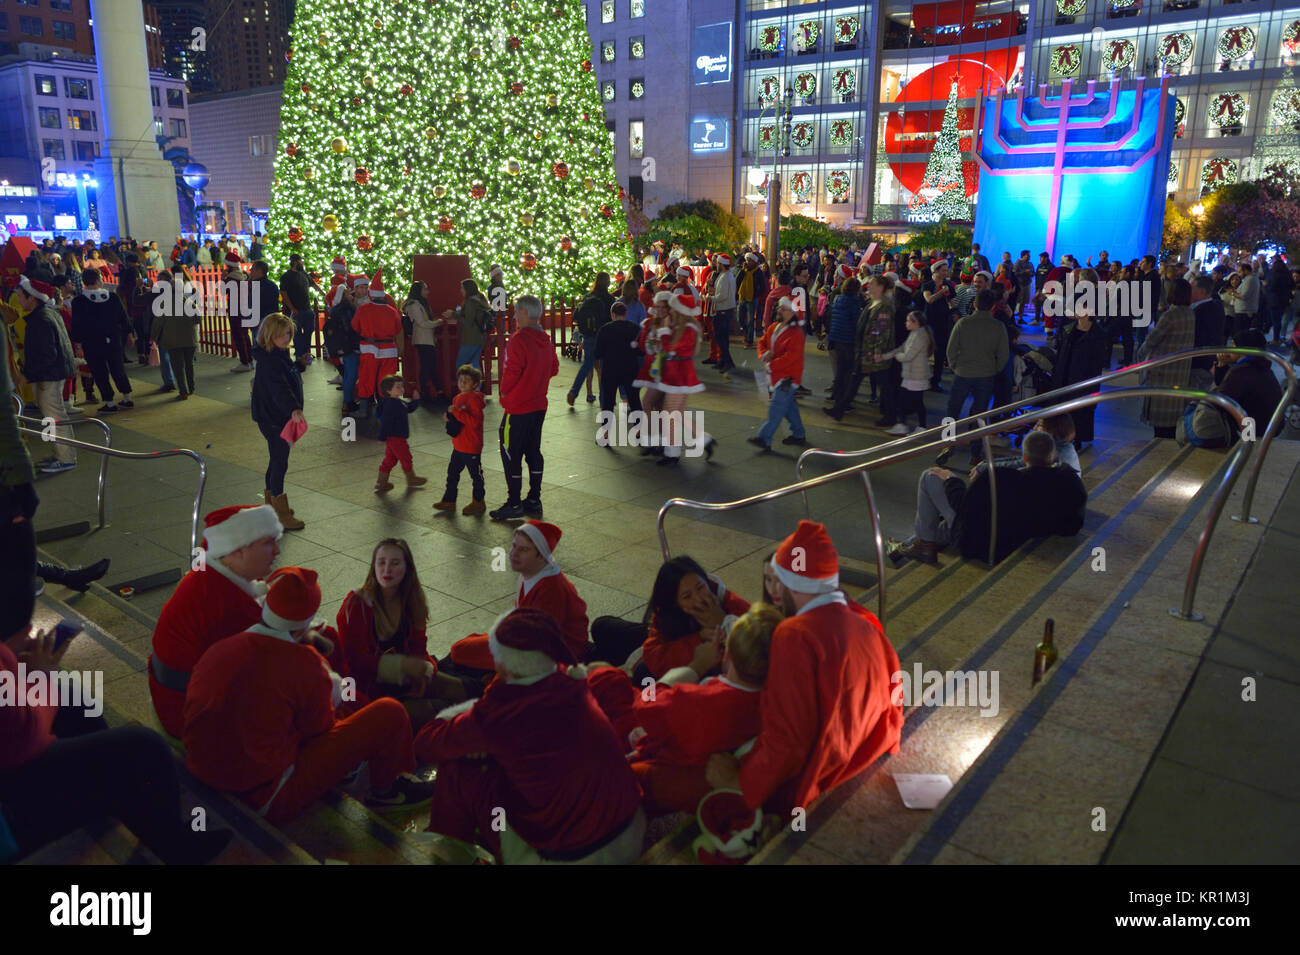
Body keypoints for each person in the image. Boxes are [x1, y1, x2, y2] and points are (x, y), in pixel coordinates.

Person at [184, 566, 434, 824]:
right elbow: (320, 730)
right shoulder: (305, 664)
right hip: (263, 798)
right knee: (389, 712)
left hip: (204, 781)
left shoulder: (222, 647)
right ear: (303, 625)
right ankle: (389, 792)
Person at [415, 609, 645, 864]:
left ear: (500, 663)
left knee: (463, 767)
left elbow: (427, 744)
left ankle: (451, 854)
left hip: (569, 858)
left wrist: (468, 729)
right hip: (630, 833)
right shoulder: (570, 681)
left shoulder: (502, 712)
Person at [704, 521, 904, 814]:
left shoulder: (795, 634)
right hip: (868, 751)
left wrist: (741, 783)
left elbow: (788, 740)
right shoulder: (864, 624)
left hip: (825, 774)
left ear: (790, 582)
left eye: (777, 580)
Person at [586, 603, 777, 815]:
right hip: (676, 746)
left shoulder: (702, 700)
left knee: (602, 676)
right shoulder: (766, 703)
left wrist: (696, 666)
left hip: (650, 751)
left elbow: (646, 707)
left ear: (727, 655)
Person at [150, 503, 283, 737]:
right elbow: (264, 669)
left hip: (173, 696)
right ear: (236, 551)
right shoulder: (228, 604)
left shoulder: (207, 576)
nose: (277, 551)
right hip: (193, 719)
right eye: (268, 543)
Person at [888, 429, 1087, 565]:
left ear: (1024, 457)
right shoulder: (1069, 479)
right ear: (1053, 456)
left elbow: (965, 508)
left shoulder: (1006, 481)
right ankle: (912, 544)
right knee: (939, 523)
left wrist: (952, 481)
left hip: (983, 542)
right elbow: (1073, 523)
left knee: (930, 477)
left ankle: (922, 545)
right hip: (1018, 534)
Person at [336, 540, 468, 727]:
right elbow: (353, 661)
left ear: (407, 568)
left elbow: (418, 646)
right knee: (429, 712)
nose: (387, 569)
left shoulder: (412, 600)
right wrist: (402, 666)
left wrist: (423, 672)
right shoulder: (357, 604)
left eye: (395, 563)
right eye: (381, 562)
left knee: (460, 689)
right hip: (363, 687)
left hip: (403, 677)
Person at [446, 520, 589, 674]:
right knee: (465, 646)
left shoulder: (551, 589)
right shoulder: (532, 573)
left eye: (524, 550)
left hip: (553, 655)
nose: (514, 553)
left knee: (461, 651)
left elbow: (540, 641)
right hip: (530, 640)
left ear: (541, 556)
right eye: (514, 546)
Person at [490, 295, 558, 520]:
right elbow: (554, 368)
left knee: (511, 453)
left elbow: (511, 372)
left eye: (517, 311)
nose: (514, 315)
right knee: (533, 451)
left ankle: (514, 502)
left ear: (525, 314)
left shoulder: (519, 340)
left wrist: (505, 393)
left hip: (518, 407)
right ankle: (534, 498)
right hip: (539, 406)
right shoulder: (545, 340)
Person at [14, 277, 77, 474]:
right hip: (50, 374)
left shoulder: (40, 319)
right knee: (50, 417)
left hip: (48, 376)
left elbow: (46, 355)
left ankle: (66, 458)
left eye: (19, 296)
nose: (17, 300)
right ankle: (58, 454)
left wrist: (27, 375)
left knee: (55, 416)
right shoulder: (46, 313)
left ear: (32, 298)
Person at [251, 313, 307, 529]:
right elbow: (280, 388)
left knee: (276, 459)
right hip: (276, 417)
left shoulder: (276, 355)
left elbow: (288, 375)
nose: (287, 338)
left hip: (271, 416)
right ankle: (280, 513)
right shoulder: (272, 361)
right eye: (282, 335)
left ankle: (271, 505)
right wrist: (293, 408)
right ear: (269, 335)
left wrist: (299, 365)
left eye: (288, 334)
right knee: (279, 462)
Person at [655, 291, 714, 465]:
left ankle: (672, 453)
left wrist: (664, 332)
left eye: (673, 309)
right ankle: (705, 439)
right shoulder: (681, 327)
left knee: (669, 414)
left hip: (680, 376)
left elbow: (673, 349)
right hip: (677, 374)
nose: (670, 311)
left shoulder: (689, 329)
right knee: (677, 414)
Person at [69, 268, 134, 414]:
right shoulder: (112, 297)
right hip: (114, 339)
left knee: (100, 372)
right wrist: (129, 334)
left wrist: (78, 344)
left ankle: (109, 403)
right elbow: (123, 317)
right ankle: (127, 397)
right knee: (118, 368)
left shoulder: (79, 301)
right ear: (99, 280)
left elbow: (77, 324)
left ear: (84, 282)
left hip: (92, 342)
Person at [1138, 277, 1196, 439]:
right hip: (1180, 372)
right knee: (1172, 423)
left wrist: (1140, 357)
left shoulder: (1170, 315)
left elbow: (1150, 342)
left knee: (1161, 425)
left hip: (1162, 373)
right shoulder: (1190, 314)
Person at [748, 296, 808, 452]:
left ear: (792, 312)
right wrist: (764, 354)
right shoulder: (774, 327)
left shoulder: (796, 334)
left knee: (776, 408)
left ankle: (764, 438)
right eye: (779, 307)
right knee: (789, 408)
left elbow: (791, 357)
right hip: (778, 376)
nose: (779, 310)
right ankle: (799, 434)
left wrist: (770, 365)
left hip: (788, 378)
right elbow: (762, 343)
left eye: (783, 308)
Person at [1050, 303, 1110, 449]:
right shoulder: (1068, 327)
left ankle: (1076, 439)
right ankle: (1062, 437)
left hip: (1083, 378)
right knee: (1062, 408)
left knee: (1079, 411)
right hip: (1064, 374)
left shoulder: (1098, 334)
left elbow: (1098, 363)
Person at [433, 363, 488, 515]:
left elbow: (475, 422)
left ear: (475, 384)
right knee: (452, 473)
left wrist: (456, 413)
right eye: (460, 379)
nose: (462, 383)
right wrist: (449, 418)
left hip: (471, 445)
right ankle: (449, 500)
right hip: (458, 444)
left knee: (475, 475)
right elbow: (457, 419)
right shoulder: (458, 398)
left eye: (467, 380)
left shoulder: (475, 400)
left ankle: (479, 501)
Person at [351, 269, 403, 417]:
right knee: (386, 380)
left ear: (371, 294)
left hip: (369, 349)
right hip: (389, 350)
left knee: (367, 378)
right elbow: (398, 328)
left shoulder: (363, 309)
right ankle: (385, 409)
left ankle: (363, 409)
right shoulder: (392, 311)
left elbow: (355, 326)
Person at [150, 268, 202, 401]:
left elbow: (157, 323)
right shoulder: (188, 302)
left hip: (172, 340)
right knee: (189, 365)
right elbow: (198, 319)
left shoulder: (164, 303)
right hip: (189, 339)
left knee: (178, 367)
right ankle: (192, 388)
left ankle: (183, 391)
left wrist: (153, 337)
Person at [881, 310, 934, 435]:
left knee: (913, 401)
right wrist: (885, 356)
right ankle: (907, 425)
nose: (906, 323)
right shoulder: (916, 333)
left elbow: (907, 356)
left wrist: (895, 356)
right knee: (911, 401)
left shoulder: (919, 336)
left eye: (908, 320)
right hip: (913, 375)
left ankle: (916, 426)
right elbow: (902, 348)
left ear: (915, 323)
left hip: (916, 376)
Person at [373, 374, 427, 492]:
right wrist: (382, 437)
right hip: (396, 438)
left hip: (394, 437)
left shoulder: (396, 401)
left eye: (402, 386)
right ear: (388, 390)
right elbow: (386, 422)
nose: (402, 389)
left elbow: (408, 408)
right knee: (406, 457)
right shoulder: (391, 405)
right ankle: (411, 478)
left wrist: (415, 400)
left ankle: (380, 483)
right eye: (398, 387)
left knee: (390, 459)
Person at [567, 273, 615, 406]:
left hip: (589, 335)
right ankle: (603, 398)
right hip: (604, 336)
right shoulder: (610, 299)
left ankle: (574, 391)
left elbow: (577, 315)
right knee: (604, 369)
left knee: (587, 365)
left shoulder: (588, 297)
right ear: (608, 283)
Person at [592, 300, 642, 418]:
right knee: (634, 399)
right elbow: (640, 350)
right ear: (625, 314)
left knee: (608, 402)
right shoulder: (634, 328)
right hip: (630, 369)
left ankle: (606, 430)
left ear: (612, 314)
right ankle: (639, 428)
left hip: (610, 369)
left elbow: (598, 353)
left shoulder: (605, 329)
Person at [825, 276, 861, 417]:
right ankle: (844, 404)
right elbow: (855, 323)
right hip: (848, 341)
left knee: (840, 372)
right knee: (848, 374)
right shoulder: (854, 302)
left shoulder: (837, 299)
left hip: (836, 339)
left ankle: (838, 401)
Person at [404, 281, 444, 402]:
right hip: (423, 338)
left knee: (427, 366)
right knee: (428, 366)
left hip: (424, 338)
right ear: (419, 291)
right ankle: (435, 391)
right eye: (425, 289)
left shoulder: (418, 303)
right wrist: (437, 323)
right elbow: (422, 323)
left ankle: (428, 391)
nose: (427, 291)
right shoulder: (415, 305)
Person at [446, 278, 491, 385]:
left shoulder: (470, 302)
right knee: (475, 364)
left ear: (468, 289)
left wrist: (454, 314)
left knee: (460, 365)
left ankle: (464, 387)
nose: (461, 290)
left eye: (462, 288)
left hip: (470, 339)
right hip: (479, 338)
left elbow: (468, 322)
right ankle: (476, 388)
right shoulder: (479, 300)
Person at [921, 260, 955, 390]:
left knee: (940, 351)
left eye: (947, 270)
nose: (946, 273)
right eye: (943, 270)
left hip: (943, 321)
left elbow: (952, 302)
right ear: (935, 271)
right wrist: (941, 292)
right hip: (929, 320)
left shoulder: (948, 285)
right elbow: (929, 299)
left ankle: (936, 380)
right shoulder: (928, 285)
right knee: (925, 349)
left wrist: (954, 314)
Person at [279, 254, 314, 368]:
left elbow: (313, 284)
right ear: (295, 262)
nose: (302, 263)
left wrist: (325, 295)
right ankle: (300, 355)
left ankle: (306, 353)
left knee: (309, 331)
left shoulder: (304, 274)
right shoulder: (286, 276)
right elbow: (283, 293)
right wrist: (292, 308)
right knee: (297, 334)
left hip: (307, 309)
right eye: (301, 261)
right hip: (295, 310)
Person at [710, 253, 737, 374]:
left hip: (723, 311)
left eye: (718, 263)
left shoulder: (725, 277)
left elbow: (722, 296)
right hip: (726, 310)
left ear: (722, 265)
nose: (716, 264)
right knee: (722, 338)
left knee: (720, 338)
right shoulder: (727, 275)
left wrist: (709, 298)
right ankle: (724, 361)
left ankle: (728, 362)